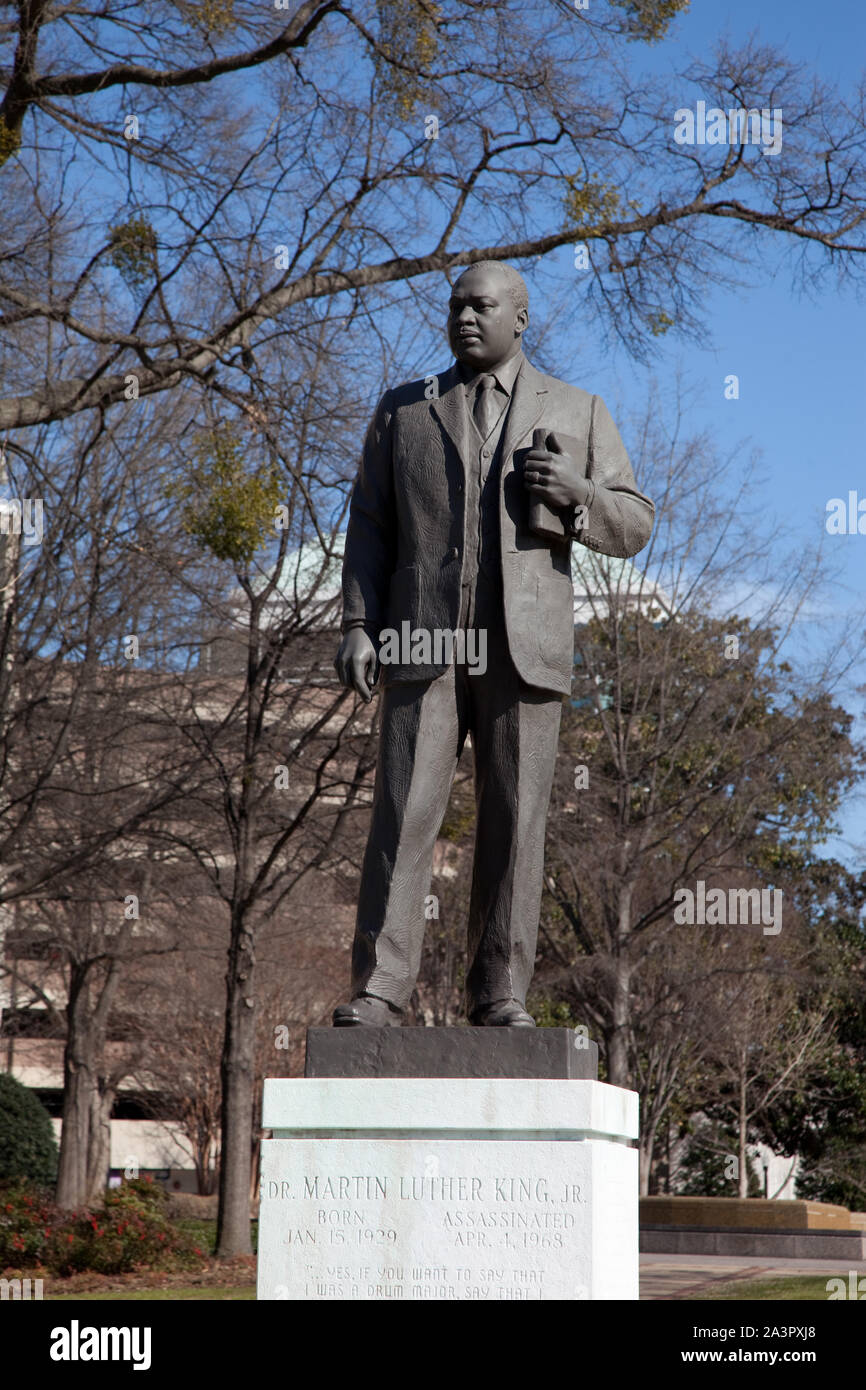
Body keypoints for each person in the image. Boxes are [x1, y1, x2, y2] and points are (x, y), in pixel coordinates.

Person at [333, 261, 653, 1027]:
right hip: (421, 642)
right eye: (455, 307)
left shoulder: (578, 409)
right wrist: (355, 624)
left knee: (516, 820)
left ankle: (501, 991)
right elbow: (369, 528)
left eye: (481, 306)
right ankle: (379, 986)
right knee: (404, 813)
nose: (464, 318)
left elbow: (635, 522)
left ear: (521, 318)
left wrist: (577, 496)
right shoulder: (404, 411)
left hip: (526, 647)